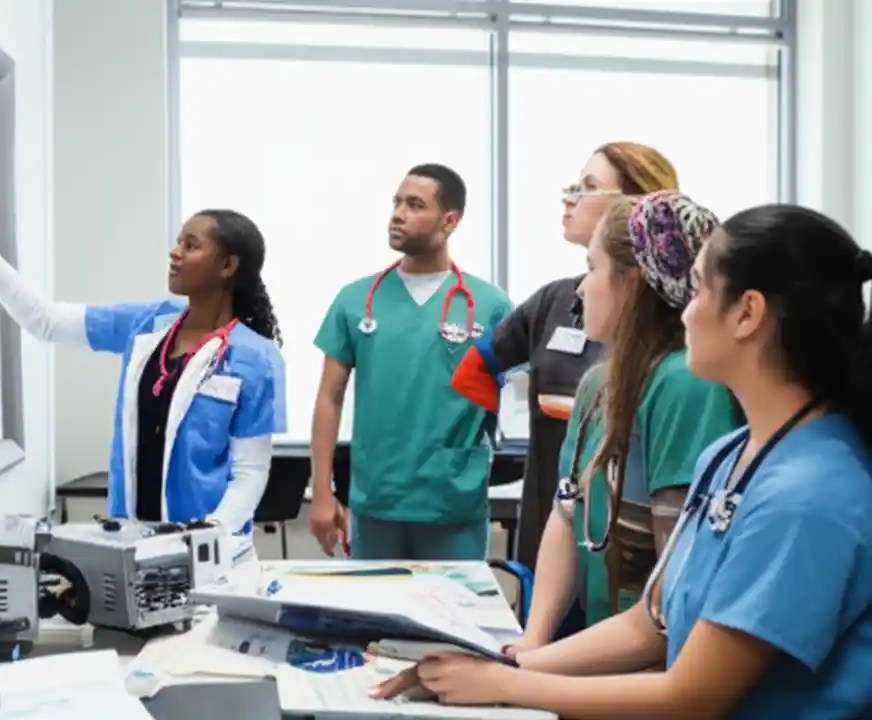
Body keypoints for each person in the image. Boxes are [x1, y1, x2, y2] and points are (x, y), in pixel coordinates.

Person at [370, 203, 872, 719]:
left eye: (698, 290)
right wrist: (505, 666)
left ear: (747, 313)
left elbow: (693, 698)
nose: (684, 311)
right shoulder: (731, 455)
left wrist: (503, 684)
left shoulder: (810, 494)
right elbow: (651, 624)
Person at [0, 188, 286, 538]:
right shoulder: (148, 324)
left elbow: (250, 471)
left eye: (191, 246)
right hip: (135, 540)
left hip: (211, 548)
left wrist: (212, 532)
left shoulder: (256, 358)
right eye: (178, 241)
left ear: (227, 266)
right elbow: (46, 321)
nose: (175, 253)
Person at [506, 191, 741, 654]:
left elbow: (671, 600)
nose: (580, 288)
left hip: (654, 661)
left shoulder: (684, 385)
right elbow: (566, 513)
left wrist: (532, 671)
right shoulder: (599, 385)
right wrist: (533, 641)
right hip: (605, 647)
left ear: (632, 282)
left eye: (592, 268)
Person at [451, 141, 679, 578]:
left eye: (587, 187)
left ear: (637, 204)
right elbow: (473, 371)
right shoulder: (555, 301)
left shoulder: (675, 327)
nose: (569, 198)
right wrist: (468, 460)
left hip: (636, 555)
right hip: (550, 535)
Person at [309, 164, 512, 561]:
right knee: (374, 601)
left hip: (453, 501)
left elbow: (517, 402)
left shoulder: (491, 306)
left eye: (415, 205)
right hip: (376, 501)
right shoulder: (356, 299)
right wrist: (321, 491)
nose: (398, 214)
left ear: (449, 221)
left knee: (454, 602)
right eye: (397, 203)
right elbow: (329, 398)